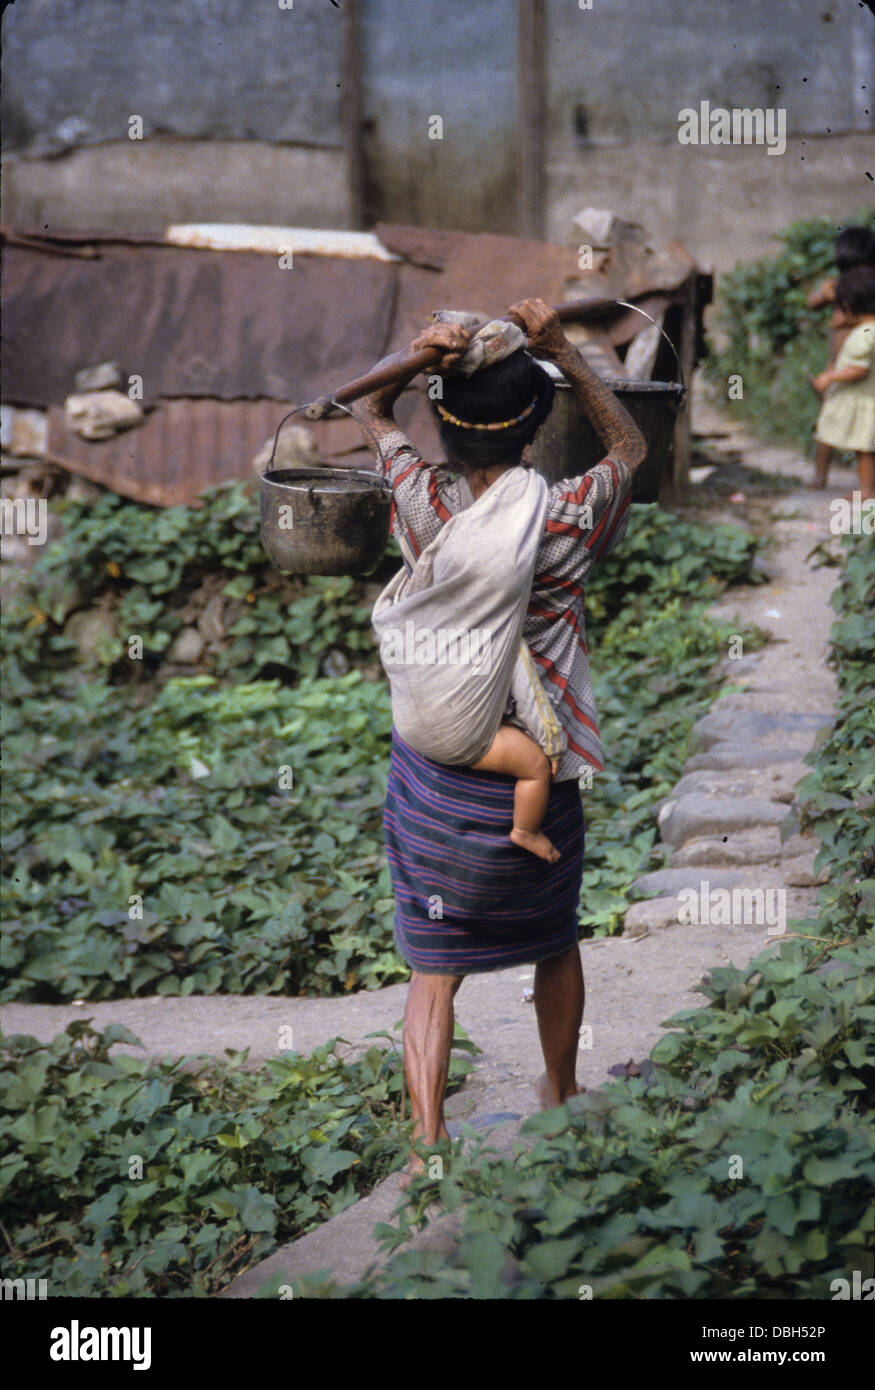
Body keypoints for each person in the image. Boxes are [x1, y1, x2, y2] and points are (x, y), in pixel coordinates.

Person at [348, 298, 647, 1182]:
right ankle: (559, 1095)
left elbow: (369, 412)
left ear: (440, 422)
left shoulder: (417, 497)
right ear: (536, 422)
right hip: (535, 771)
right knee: (554, 941)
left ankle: (427, 1140)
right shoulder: (560, 515)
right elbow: (629, 450)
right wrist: (567, 355)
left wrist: (413, 360)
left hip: (436, 773)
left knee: (433, 970)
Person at [806, 225, 875, 489]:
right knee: (827, 421)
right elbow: (812, 303)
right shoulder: (839, 283)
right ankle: (819, 475)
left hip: (862, 360)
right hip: (838, 362)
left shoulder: (867, 285)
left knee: (862, 426)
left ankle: (864, 486)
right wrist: (823, 296)